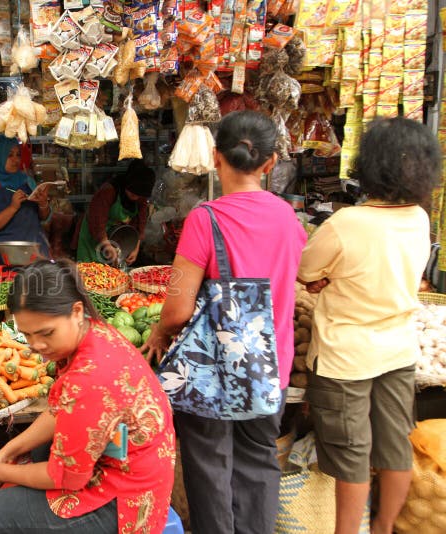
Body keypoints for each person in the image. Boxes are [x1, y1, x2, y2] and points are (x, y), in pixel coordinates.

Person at [141, 110, 307, 534]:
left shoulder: (205, 218)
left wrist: (160, 334)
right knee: (258, 461)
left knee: (210, 465)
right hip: (272, 366)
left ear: (216, 157)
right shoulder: (291, 219)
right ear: (270, 163)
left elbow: (177, 310)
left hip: (214, 369)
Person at [297, 117, 440, 534]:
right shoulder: (418, 217)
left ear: (371, 165)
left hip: (345, 357)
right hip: (397, 349)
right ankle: (382, 527)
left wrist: (326, 279)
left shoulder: (347, 223)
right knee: (395, 447)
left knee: (351, 455)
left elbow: (308, 271)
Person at [0, 259, 175, 534]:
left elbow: (65, 478)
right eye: (27, 334)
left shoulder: (90, 379)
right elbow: (59, 412)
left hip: (127, 502)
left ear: (76, 312)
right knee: (37, 450)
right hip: (122, 455)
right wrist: (6, 452)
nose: (36, 345)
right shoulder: (95, 330)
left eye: (46, 333)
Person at [0, 136, 51, 262]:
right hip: (6, 256)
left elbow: (44, 218)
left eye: (18, 155)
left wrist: (43, 204)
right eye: (10, 155)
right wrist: (13, 207)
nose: (16, 160)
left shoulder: (26, 181)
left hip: (36, 252)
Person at [74, 159, 155, 265]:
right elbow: (97, 220)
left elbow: (141, 220)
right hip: (94, 234)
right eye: (133, 193)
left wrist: (136, 247)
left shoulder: (141, 197)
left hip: (117, 236)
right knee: (91, 272)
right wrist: (105, 243)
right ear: (127, 184)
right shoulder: (108, 191)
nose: (136, 198)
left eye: (139, 195)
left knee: (113, 274)